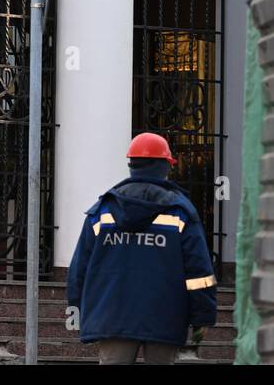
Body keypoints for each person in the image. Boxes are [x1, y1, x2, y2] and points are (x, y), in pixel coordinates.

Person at [65, 132, 218, 364]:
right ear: (165, 165)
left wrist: (76, 307)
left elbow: (79, 269)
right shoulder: (180, 212)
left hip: (112, 317)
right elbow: (198, 272)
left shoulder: (102, 211)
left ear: (132, 165)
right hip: (166, 317)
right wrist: (203, 317)